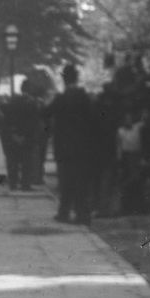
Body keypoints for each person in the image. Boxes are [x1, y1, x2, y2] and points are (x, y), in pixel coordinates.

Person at [44, 63, 103, 225]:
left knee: (66, 182)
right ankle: (82, 214)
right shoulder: (85, 98)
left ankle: (64, 212)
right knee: (81, 182)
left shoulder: (60, 99)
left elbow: (45, 113)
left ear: (64, 79)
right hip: (82, 147)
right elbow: (94, 120)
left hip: (63, 148)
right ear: (77, 78)